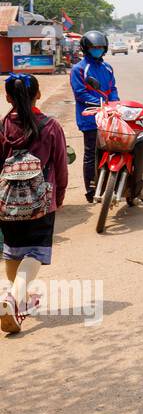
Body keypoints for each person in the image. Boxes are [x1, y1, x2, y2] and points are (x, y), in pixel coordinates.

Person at [0, 73, 68, 333]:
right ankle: (11, 298)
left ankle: (21, 301)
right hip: (41, 203)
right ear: (38, 94)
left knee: (13, 250)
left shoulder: (1, 128)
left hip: (6, 204)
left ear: (8, 97)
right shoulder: (50, 127)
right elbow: (61, 167)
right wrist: (58, 196)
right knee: (35, 252)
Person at [70, 30, 119, 202]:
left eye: (100, 47)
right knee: (91, 153)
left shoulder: (108, 68)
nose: (97, 50)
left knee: (113, 149)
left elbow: (112, 88)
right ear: (86, 48)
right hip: (90, 118)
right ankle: (90, 189)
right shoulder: (79, 69)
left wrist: (114, 103)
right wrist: (101, 104)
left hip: (109, 116)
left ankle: (111, 183)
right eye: (94, 47)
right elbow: (80, 93)